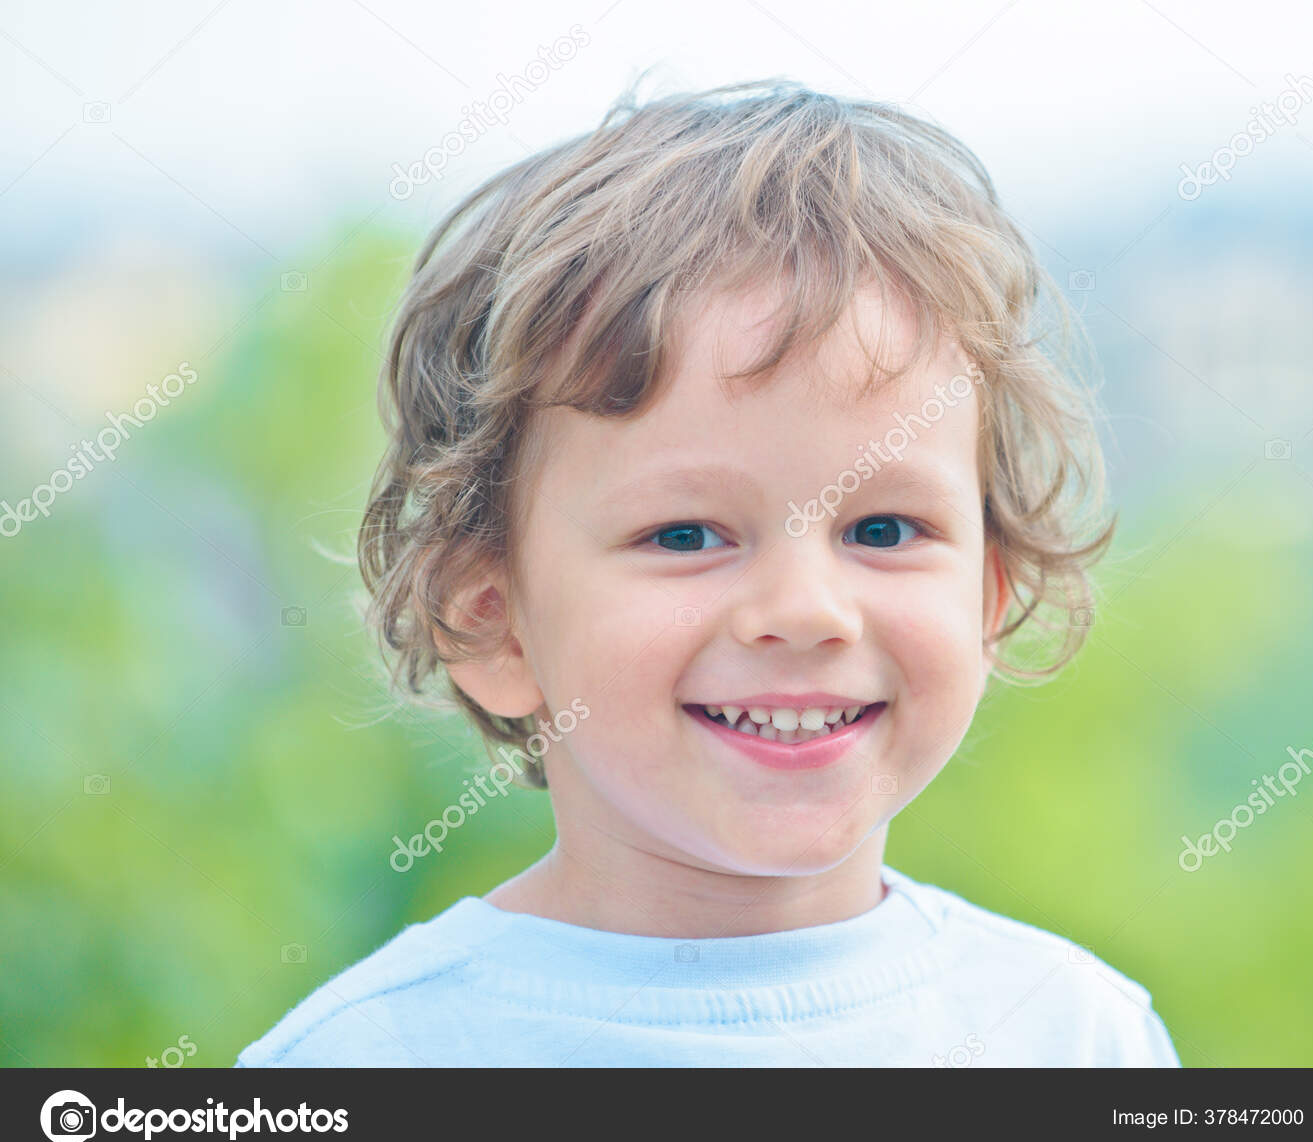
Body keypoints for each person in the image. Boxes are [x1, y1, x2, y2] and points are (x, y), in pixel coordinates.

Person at [237, 78, 1180, 1068]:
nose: (806, 610)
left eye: (885, 527)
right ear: (492, 622)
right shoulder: (367, 1062)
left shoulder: (1073, 1036)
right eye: (687, 535)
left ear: (988, 595)